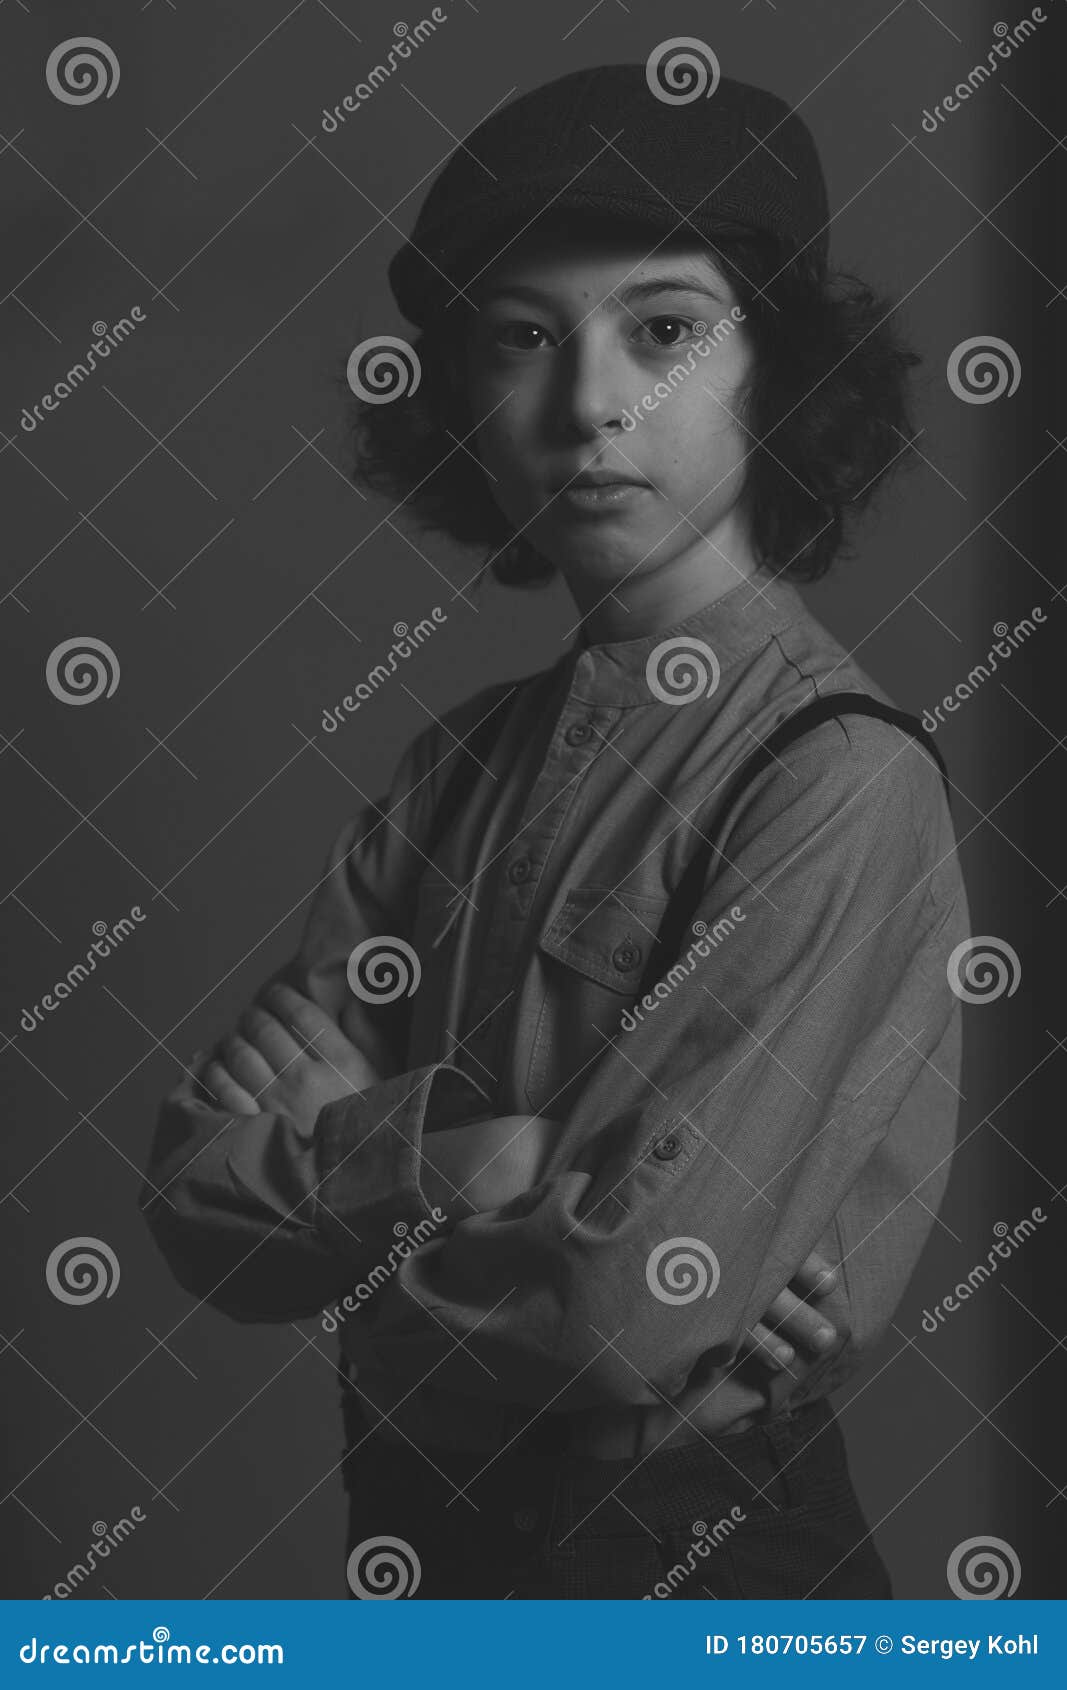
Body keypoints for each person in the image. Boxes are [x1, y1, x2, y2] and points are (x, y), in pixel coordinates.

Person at [140, 61, 971, 1599]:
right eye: (521, 337)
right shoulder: (450, 767)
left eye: (665, 331)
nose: (588, 401)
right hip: (424, 1553)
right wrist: (473, 1161)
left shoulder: (834, 777)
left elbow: (616, 1315)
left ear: (774, 370)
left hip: (689, 1561)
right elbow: (193, 1201)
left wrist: (354, 1182)